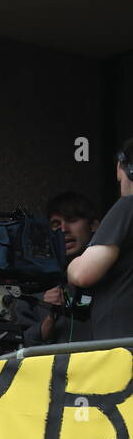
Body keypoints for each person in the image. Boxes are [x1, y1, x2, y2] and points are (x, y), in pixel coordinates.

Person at [67, 138, 133, 340]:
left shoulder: (127, 206)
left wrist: (71, 266)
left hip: (122, 344)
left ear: (124, 169)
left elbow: (83, 274)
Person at [17, 191, 99, 346]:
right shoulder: (33, 289)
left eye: (72, 220)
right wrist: (50, 317)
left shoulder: (116, 276)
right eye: (55, 224)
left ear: (94, 225)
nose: (63, 229)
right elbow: (18, 347)